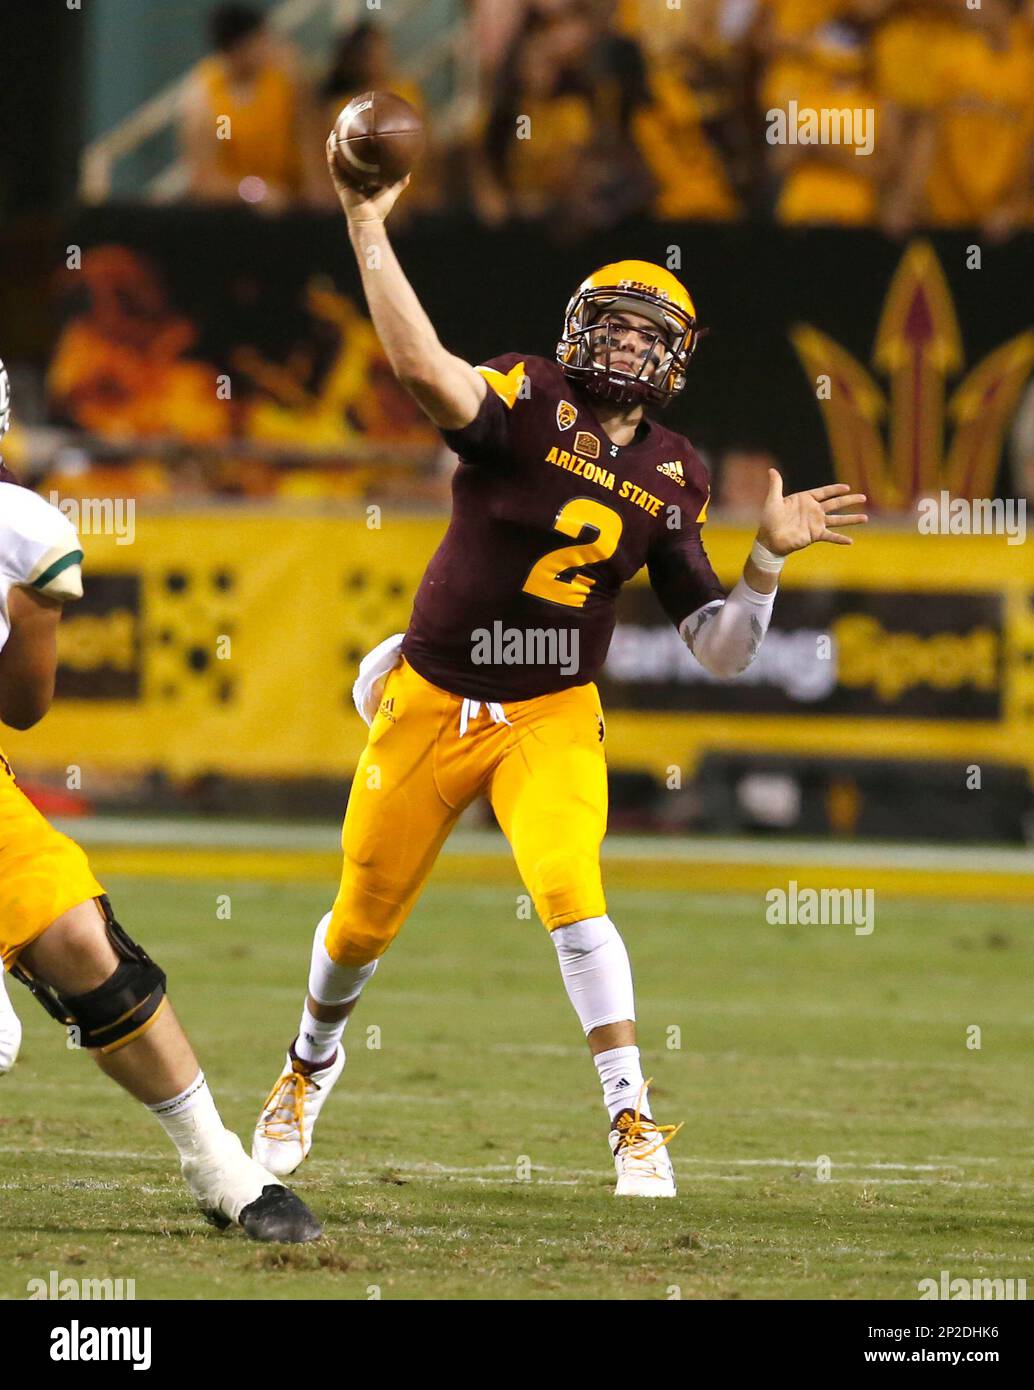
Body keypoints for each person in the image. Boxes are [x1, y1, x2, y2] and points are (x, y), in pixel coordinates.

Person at [252, 148, 867, 1197]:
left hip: (548, 709)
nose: (626, 344)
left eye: (646, 332)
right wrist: (366, 229)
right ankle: (308, 1064)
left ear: (676, 358)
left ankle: (631, 1117)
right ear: (580, 329)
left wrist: (764, 563)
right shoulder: (527, 394)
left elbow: (718, 651)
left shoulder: (676, 470)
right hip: (433, 696)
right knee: (360, 917)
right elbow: (420, 368)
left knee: (571, 892)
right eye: (613, 323)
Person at [0, 360, 320, 1241]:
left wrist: (33, 614)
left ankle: (221, 1167)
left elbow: (21, 706)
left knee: (80, 939)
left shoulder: (17, 528)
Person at [181, 3, 329, 211]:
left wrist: (320, 204)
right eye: (261, 40)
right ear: (239, 48)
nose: (268, 46)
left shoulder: (287, 78)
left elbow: (311, 145)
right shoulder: (202, 97)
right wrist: (254, 191)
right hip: (232, 213)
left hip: (292, 207)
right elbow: (203, 179)